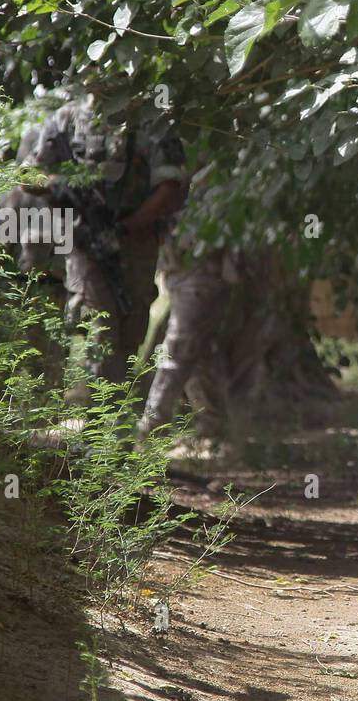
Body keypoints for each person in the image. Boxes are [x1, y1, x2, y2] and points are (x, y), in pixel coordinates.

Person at [26, 89, 187, 394]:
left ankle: (113, 416)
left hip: (136, 239)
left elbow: (171, 188)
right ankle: (98, 423)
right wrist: (61, 185)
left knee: (131, 327)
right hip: (84, 240)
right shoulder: (66, 119)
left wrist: (127, 225)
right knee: (102, 325)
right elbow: (29, 175)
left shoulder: (149, 119)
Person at [137, 166, 245, 443]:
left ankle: (151, 427)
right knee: (197, 355)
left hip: (199, 279)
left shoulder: (211, 187)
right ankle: (213, 427)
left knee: (177, 350)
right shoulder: (177, 181)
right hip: (182, 278)